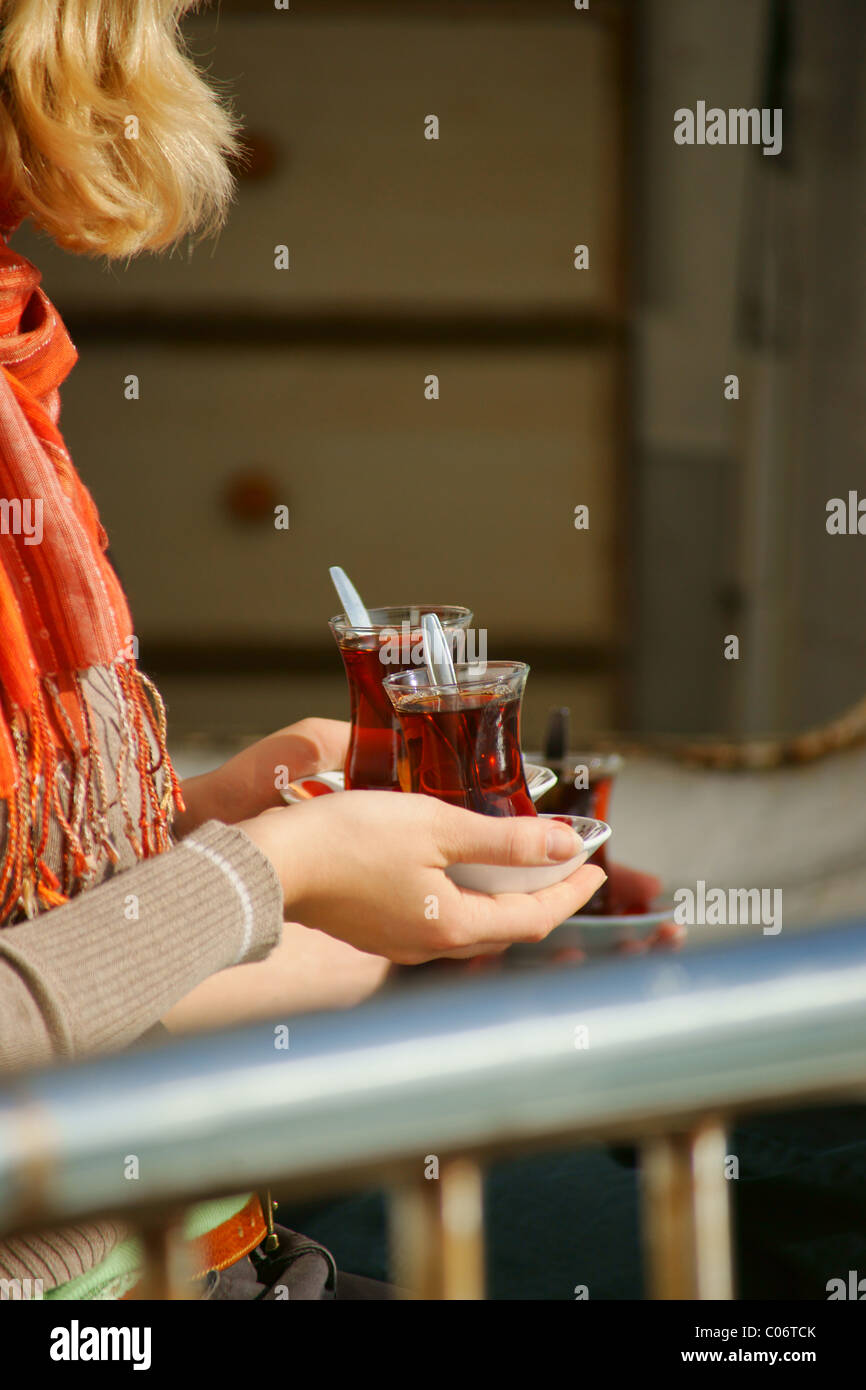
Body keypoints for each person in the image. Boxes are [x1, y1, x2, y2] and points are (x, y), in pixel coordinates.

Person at [0, 0, 627, 1300]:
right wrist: (262, 870)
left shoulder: (17, 369)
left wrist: (211, 835)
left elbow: (54, 953)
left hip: (219, 1227)